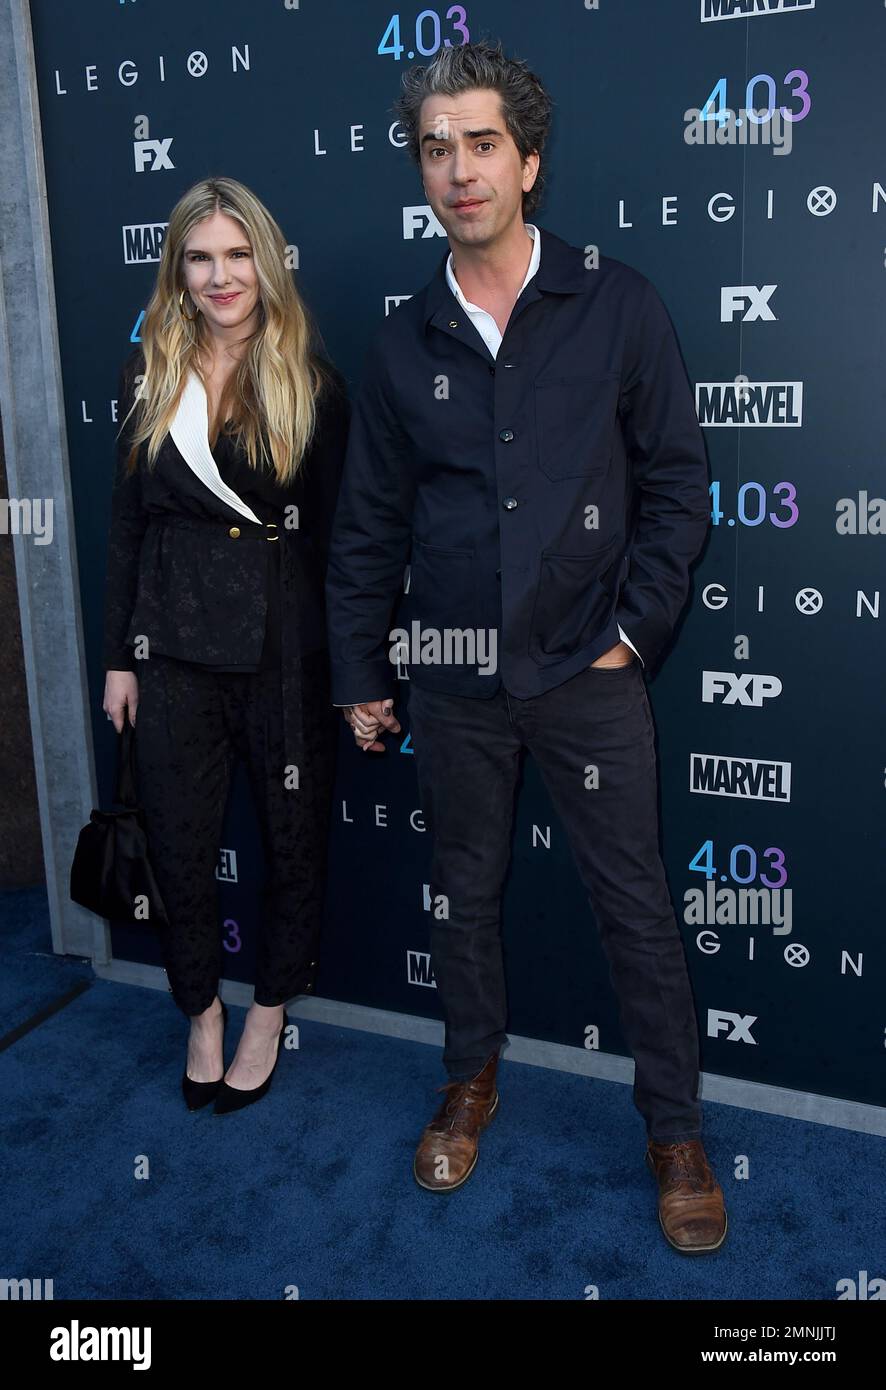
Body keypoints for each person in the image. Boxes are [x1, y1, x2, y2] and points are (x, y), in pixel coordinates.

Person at [325, 41, 724, 1253]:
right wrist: (361, 671)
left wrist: (632, 633)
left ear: (529, 161)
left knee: (639, 914)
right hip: (451, 677)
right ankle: (468, 1081)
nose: (457, 169)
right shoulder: (401, 343)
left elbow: (678, 483)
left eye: (481, 143)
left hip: (587, 675)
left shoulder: (617, 302)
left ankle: (674, 1132)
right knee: (464, 899)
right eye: (435, 148)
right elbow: (368, 526)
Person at [102, 176, 349, 1114]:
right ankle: (200, 1008)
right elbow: (127, 524)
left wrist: (354, 672)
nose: (220, 276)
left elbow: (340, 542)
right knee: (178, 842)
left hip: (284, 653)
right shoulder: (145, 375)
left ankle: (269, 1011)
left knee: (293, 843)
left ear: (268, 261)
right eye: (200, 257)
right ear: (178, 269)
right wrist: (121, 657)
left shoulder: (312, 383)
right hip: (169, 650)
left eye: (238, 255)